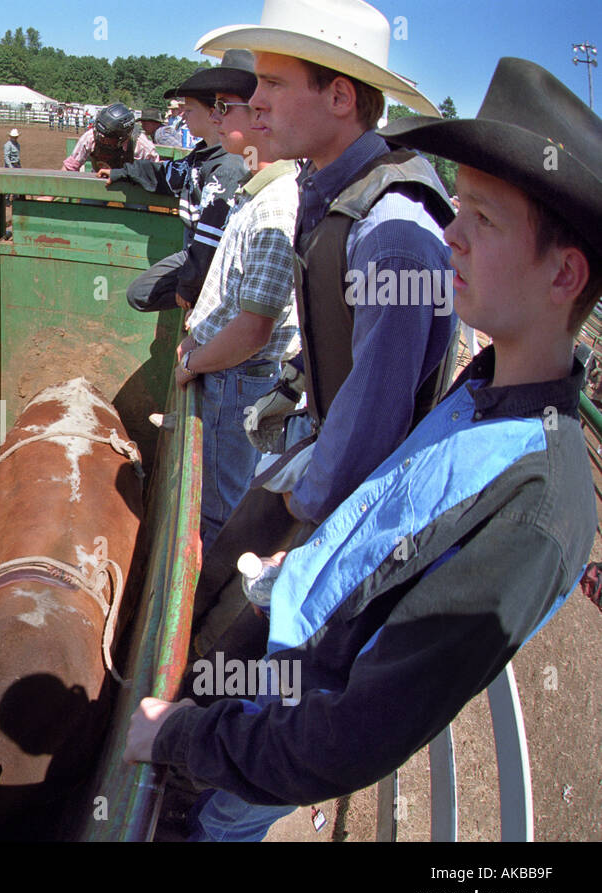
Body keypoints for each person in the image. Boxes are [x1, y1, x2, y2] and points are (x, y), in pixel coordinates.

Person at [125, 55, 600, 844]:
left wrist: (178, 738)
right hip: (279, 679)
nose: (450, 232)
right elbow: (395, 514)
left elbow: (344, 734)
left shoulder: (540, 511)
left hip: (282, 734)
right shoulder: (487, 391)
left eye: (481, 218)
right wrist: (296, 569)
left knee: (204, 828)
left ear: (565, 273)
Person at [187, 0, 457, 665]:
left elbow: (371, 425)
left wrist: (294, 528)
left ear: (339, 95)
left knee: (223, 655)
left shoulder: (391, 232)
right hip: (325, 452)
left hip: (348, 500)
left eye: (275, 84)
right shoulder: (336, 188)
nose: (256, 103)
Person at [173, 86, 301, 550]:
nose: (216, 115)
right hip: (228, 371)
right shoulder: (257, 192)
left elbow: (252, 331)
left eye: (226, 108)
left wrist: (193, 363)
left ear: (263, 119)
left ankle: (204, 604)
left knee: (217, 506)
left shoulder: (275, 208)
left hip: (237, 377)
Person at [102, 52, 253, 313]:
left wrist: (188, 285)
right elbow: (168, 174)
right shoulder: (202, 155)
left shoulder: (227, 166)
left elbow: (211, 236)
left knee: (144, 294)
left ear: (212, 113)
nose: (183, 116)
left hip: (210, 260)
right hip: (197, 256)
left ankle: (202, 302)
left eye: (189, 109)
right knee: (140, 293)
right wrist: (122, 172)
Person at [62, 103, 159, 172]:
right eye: (100, 133)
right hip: (99, 184)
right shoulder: (91, 137)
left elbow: (155, 175)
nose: (101, 138)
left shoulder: (142, 146)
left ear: (122, 137)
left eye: (107, 137)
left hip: (131, 190)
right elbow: (70, 167)